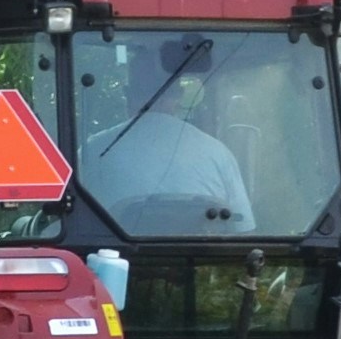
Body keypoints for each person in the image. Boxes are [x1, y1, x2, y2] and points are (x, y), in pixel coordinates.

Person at [80, 35, 255, 232]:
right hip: (199, 260)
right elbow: (243, 230)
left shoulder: (93, 151)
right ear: (179, 96)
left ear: (127, 94)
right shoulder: (218, 153)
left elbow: (75, 225)